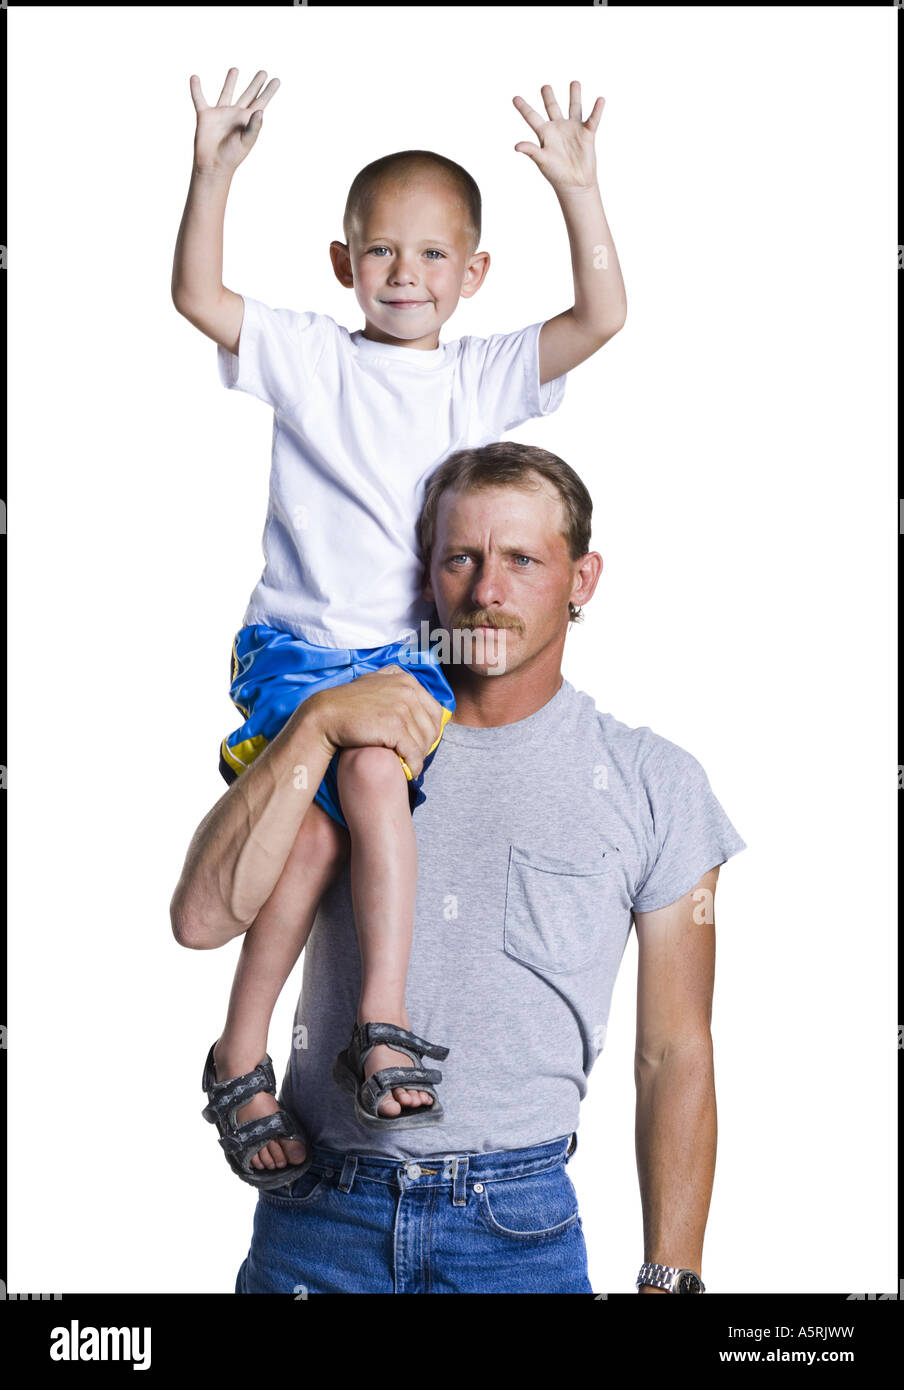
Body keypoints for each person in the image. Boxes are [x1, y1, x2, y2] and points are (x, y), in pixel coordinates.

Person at [170, 67, 627, 1179]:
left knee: (338, 818)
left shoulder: (475, 378)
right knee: (333, 810)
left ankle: (290, 1044)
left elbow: (601, 317)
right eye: (381, 250)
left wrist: (578, 186)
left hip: (406, 660)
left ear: (472, 274)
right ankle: (309, 1039)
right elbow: (197, 296)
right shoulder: (311, 355)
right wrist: (211, 171)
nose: (405, 273)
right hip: (293, 651)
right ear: (344, 264)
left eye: (432, 255)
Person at [170, 442, 746, 1295]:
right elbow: (200, 921)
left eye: (521, 559)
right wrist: (319, 723)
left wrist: (673, 1274)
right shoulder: (345, 741)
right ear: (426, 572)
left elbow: (673, 1051)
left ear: (582, 579)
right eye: (461, 559)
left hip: (516, 1232)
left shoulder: (653, 784)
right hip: (317, 1217)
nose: (487, 591)